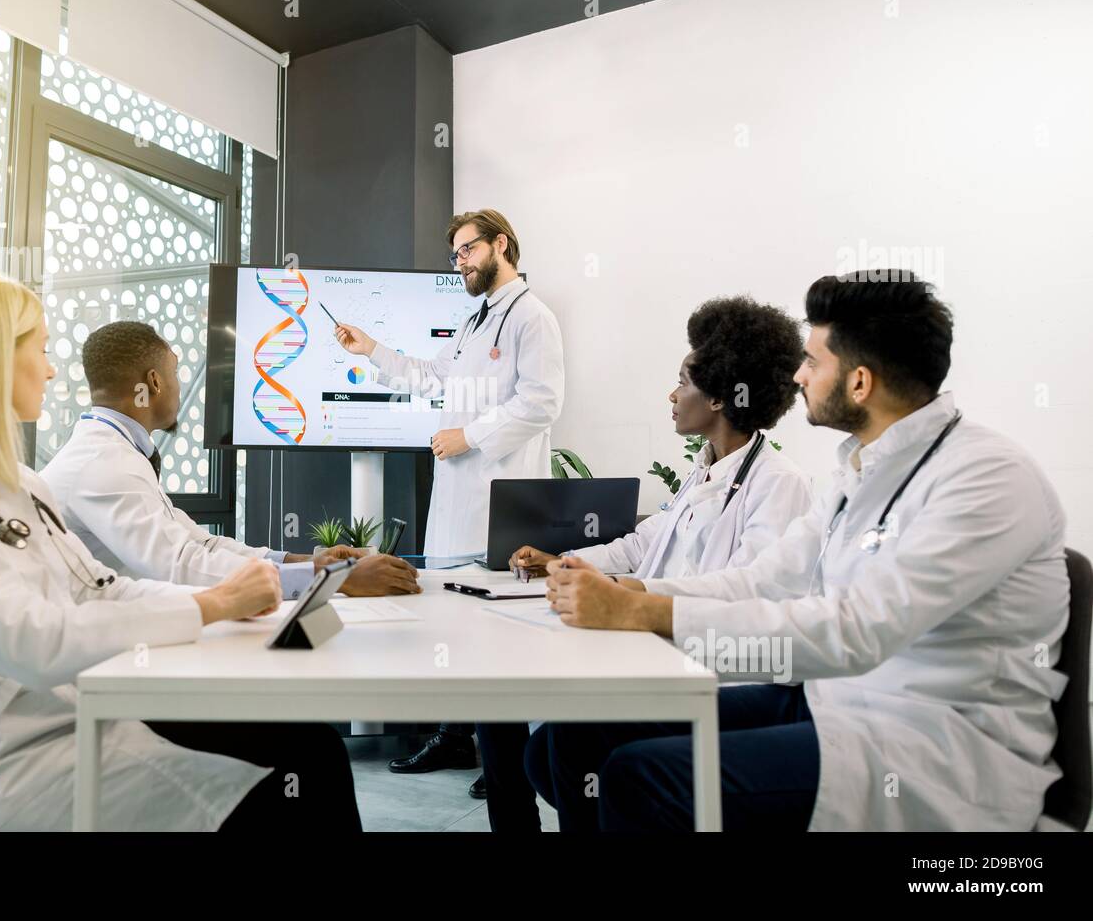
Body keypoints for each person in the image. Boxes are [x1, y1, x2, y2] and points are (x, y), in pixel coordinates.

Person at [531, 272, 1070, 831]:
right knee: (580, 733)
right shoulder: (856, 470)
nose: (797, 374)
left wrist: (647, 612)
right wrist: (634, 591)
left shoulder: (985, 477)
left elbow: (857, 630)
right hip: (832, 702)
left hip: (933, 741)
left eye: (813, 361)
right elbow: (763, 579)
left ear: (859, 382)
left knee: (641, 778)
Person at [0, 272, 362, 831]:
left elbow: (102, 588)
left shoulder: (17, 481)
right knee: (290, 791)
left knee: (312, 752)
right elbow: (33, 641)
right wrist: (211, 605)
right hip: (4, 769)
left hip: (80, 717)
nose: (49, 369)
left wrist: (226, 596)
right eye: (39, 349)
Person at [486, 295, 813, 830]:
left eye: (684, 381)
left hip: (721, 675)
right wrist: (563, 560)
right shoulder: (703, 471)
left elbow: (754, 594)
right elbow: (643, 543)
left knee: (568, 742)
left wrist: (632, 595)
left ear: (717, 398)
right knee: (541, 750)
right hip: (662, 650)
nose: (673, 393)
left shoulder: (779, 484)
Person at [335, 208, 566, 784]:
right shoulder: (474, 323)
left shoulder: (531, 318)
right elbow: (432, 377)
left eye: (467, 250)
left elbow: (542, 402)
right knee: (460, 627)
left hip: (497, 500)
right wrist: (373, 351)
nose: (459, 262)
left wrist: (471, 435)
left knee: (499, 632)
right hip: (458, 503)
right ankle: (461, 737)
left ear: (501, 245)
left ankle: (504, 754)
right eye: (456, 254)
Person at [40, 321, 421, 599]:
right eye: (175, 373)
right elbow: (179, 565)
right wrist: (336, 576)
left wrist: (301, 560)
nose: (178, 386)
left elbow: (200, 544)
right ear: (154, 383)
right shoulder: (105, 462)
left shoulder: (115, 451)